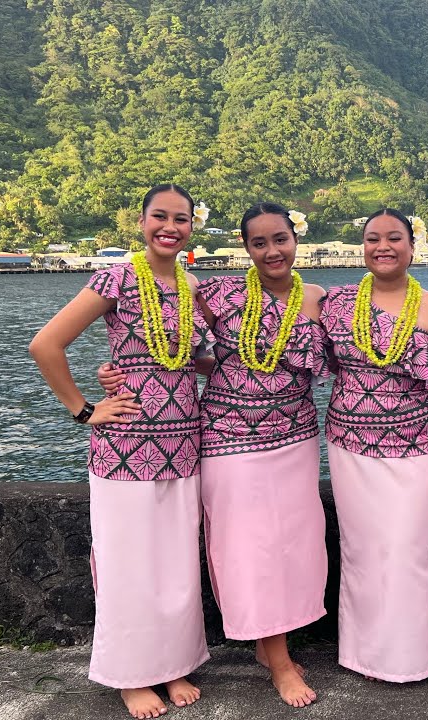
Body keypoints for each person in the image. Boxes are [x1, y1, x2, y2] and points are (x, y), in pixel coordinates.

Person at [97, 202, 329, 707]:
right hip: (230, 437)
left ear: (296, 240)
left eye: (280, 239)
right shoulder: (216, 294)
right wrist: (119, 372)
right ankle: (281, 662)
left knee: (295, 545)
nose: (272, 251)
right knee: (252, 549)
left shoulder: (318, 299)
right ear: (246, 249)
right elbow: (175, 345)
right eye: (259, 243)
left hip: (296, 436)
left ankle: (270, 650)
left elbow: (355, 354)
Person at [30, 184, 211, 719]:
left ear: (191, 228)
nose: (170, 227)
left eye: (181, 219)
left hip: (184, 438)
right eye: (160, 216)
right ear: (142, 221)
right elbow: (46, 343)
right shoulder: (117, 278)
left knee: (177, 560)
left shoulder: (188, 283)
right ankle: (131, 674)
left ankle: (174, 663)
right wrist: (84, 409)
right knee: (127, 562)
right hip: (127, 444)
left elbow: (193, 360)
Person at [319, 208, 428, 682]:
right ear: (362, 247)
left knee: (410, 549)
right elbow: (296, 356)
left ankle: (411, 657)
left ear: (412, 247)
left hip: (417, 444)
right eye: (372, 238)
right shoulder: (336, 304)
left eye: (394, 238)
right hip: (350, 444)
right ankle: (364, 655)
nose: (383, 246)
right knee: (362, 550)